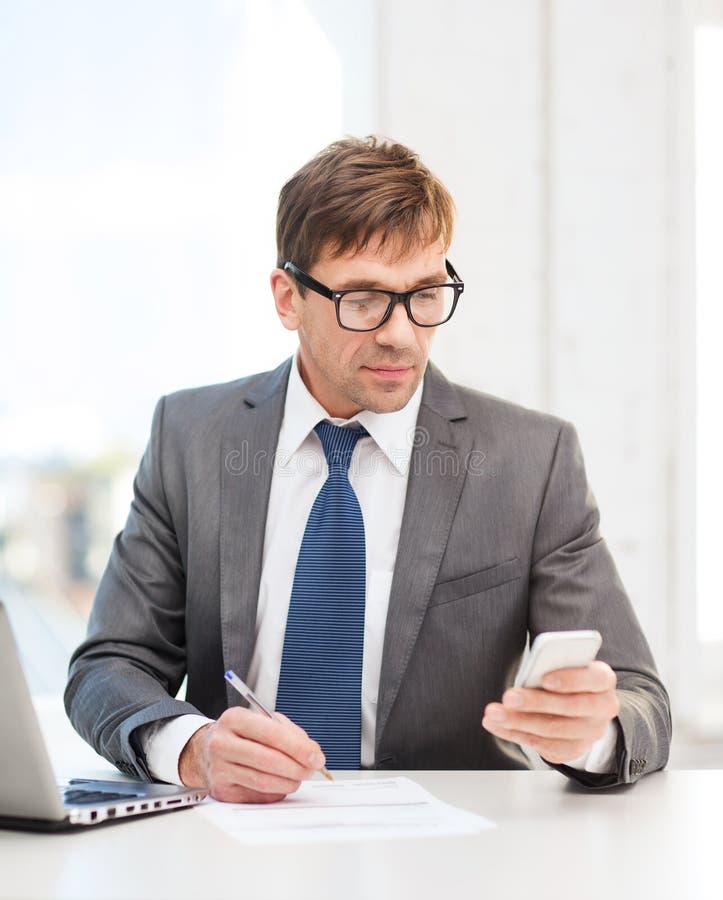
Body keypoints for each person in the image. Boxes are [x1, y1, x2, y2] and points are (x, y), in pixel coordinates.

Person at [65, 136, 671, 803]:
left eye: (425, 294)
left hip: (450, 855)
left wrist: (587, 733)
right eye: (363, 299)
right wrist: (191, 749)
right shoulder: (192, 438)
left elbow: (641, 703)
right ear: (287, 298)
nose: (401, 334)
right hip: (235, 843)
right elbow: (109, 666)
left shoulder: (531, 459)